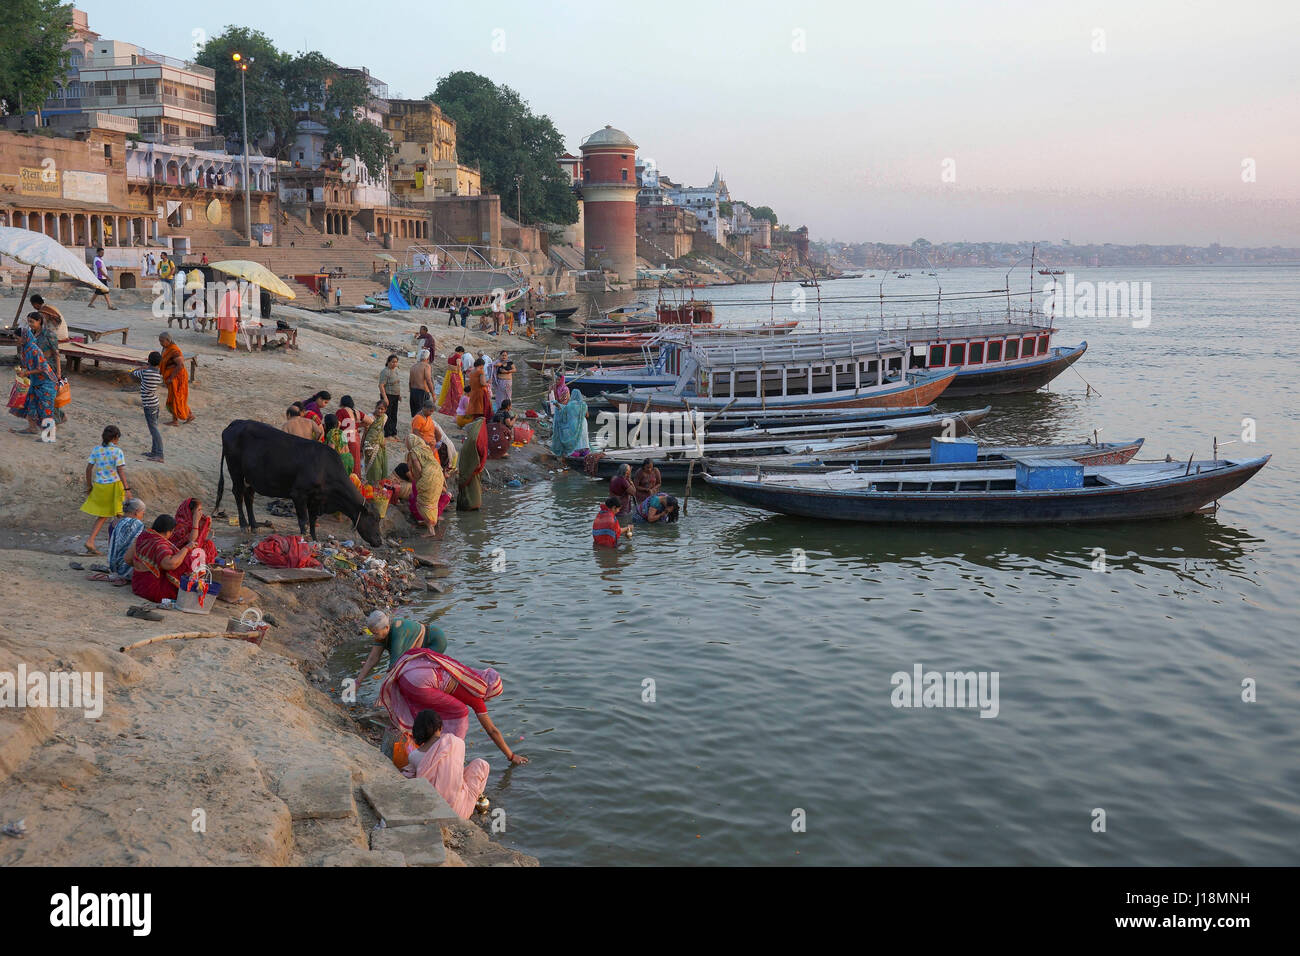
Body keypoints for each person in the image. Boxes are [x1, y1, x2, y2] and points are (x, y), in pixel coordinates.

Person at [378, 649, 528, 764]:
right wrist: (511, 755)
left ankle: (426, 744)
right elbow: (492, 730)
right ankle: (450, 753)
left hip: (406, 673)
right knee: (461, 712)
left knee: (441, 711)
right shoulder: (476, 696)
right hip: (418, 684)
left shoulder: (467, 676)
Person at [405, 710, 490, 820]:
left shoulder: (413, 755)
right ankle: (477, 802)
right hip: (459, 811)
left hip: (432, 809)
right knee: (481, 764)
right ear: (440, 727)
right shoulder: (455, 742)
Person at [355, 609, 448, 687]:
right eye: (372, 633)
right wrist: (357, 682)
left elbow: (394, 667)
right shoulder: (381, 633)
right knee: (406, 673)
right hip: (421, 645)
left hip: (435, 640)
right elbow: (372, 659)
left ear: (387, 628)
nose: (374, 637)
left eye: (375, 633)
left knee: (419, 673)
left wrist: (384, 695)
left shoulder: (397, 631)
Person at [126, 514, 199, 604]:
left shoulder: (142, 536)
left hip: (136, 585)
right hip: (152, 590)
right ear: (169, 531)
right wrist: (186, 548)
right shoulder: (160, 544)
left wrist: (146, 566)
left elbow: (127, 559)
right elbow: (170, 564)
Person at [8, 314, 60, 438]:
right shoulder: (25, 349)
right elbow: (28, 366)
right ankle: (32, 428)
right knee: (30, 405)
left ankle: (49, 437)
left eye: (17, 338)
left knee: (45, 409)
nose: (17, 341)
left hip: (46, 383)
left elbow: (42, 368)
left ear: (24, 337)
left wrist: (26, 373)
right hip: (35, 382)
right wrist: (22, 372)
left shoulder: (34, 349)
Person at [80, 426, 130, 555]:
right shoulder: (117, 451)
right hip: (114, 485)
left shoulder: (97, 449)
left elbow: (88, 469)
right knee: (120, 514)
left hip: (100, 485)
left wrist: (89, 485)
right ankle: (125, 545)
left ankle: (91, 540)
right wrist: (127, 488)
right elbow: (120, 470)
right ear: (115, 438)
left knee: (103, 515)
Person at [406, 432, 447, 538]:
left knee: (421, 503)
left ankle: (430, 530)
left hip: (428, 476)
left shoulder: (414, 451)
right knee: (433, 501)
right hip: (438, 474)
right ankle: (432, 523)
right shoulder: (426, 449)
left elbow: (417, 467)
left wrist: (419, 480)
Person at [131, 351, 165, 462]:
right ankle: (154, 452)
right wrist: (147, 367)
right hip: (155, 403)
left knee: (153, 429)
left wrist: (141, 367)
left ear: (148, 361)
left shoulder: (145, 372)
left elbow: (133, 373)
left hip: (148, 405)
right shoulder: (158, 374)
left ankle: (159, 454)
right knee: (154, 428)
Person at [169, 497, 217, 577]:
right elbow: (192, 541)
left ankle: (206, 571)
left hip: (191, 548)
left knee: (209, 545)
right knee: (195, 554)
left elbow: (202, 538)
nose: (201, 513)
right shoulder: (180, 524)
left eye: (201, 510)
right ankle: (191, 575)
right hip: (179, 553)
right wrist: (195, 522)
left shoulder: (195, 520)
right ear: (190, 511)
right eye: (199, 510)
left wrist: (208, 525)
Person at [104, 497, 146, 583]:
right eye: (142, 513)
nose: (142, 516)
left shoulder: (115, 522)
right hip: (127, 570)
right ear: (136, 512)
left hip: (113, 568)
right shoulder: (137, 524)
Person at [158, 332, 193, 425]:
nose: (160, 343)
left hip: (177, 377)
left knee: (175, 398)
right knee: (177, 397)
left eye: (162, 341)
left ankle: (175, 421)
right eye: (159, 341)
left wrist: (171, 377)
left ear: (168, 340)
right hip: (172, 376)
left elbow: (180, 365)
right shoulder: (166, 348)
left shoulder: (174, 351)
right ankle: (190, 415)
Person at [456, 416, 488, 511]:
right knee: (473, 487)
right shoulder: (477, 437)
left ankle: (467, 504)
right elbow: (482, 451)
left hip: (471, 465)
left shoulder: (473, 437)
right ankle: (472, 505)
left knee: (469, 487)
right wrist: (479, 465)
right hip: (474, 466)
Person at [336, 395, 368, 478]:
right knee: (356, 460)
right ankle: (356, 481)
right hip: (356, 437)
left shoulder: (341, 411)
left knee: (345, 459)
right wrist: (356, 425)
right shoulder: (357, 412)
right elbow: (370, 421)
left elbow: (337, 425)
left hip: (346, 436)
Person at [362, 400, 389, 485]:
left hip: (380, 444)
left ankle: (378, 484)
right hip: (370, 444)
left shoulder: (384, 417)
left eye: (382, 409)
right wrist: (362, 444)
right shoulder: (370, 417)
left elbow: (380, 430)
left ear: (385, 410)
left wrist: (383, 439)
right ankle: (370, 483)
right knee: (372, 466)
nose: (380, 411)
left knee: (380, 464)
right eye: (378, 408)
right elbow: (366, 431)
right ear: (375, 407)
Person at [459, 357, 491, 426]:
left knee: (475, 409)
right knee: (483, 409)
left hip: (473, 392)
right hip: (481, 392)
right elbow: (482, 383)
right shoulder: (480, 371)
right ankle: (482, 424)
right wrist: (488, 383)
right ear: (482, 365)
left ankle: (475, 423)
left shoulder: (472, 372)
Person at [379, 354, 403, 439]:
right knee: (387, 414)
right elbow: (381, 385)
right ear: (388, 362)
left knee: (394, 414)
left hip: (395, 396)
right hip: (388, 395)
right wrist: (385, 398)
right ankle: (387, 434)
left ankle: (393, 432)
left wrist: (399, 395)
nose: (394, 364)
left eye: (396, 362)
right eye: (393, 362)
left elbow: (396, 383)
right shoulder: (385, 372)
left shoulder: (395, 371)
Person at [436, 347, 466, 415]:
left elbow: (449, 364)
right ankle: (455, 406)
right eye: (462, 353)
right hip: (455, 373)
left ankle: (445, 404)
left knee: (447, 388)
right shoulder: (458, 356)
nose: (462, 355)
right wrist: (458, 373)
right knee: (457, 390)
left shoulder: (451, 354)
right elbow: (458, 365)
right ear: (461, 352)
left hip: (448, 373)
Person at [408, 349, 435, 417]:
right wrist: (433, 394)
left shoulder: (413, 366)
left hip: (413, 392)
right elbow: (428, 380)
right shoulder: (426, 366)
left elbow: (410, 382)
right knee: (422, 414)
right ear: (428, 358)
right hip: (422, 392)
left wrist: (411, 392)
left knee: (415, 414)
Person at [216, 281, 240, 349]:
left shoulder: (226, 294)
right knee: (232, 330)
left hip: (223, 314)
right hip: (231, 315)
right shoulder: (237, 294)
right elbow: (238, 307)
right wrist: (239, 318)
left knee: (226, 329)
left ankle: (225, 343)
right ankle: (231, 346)